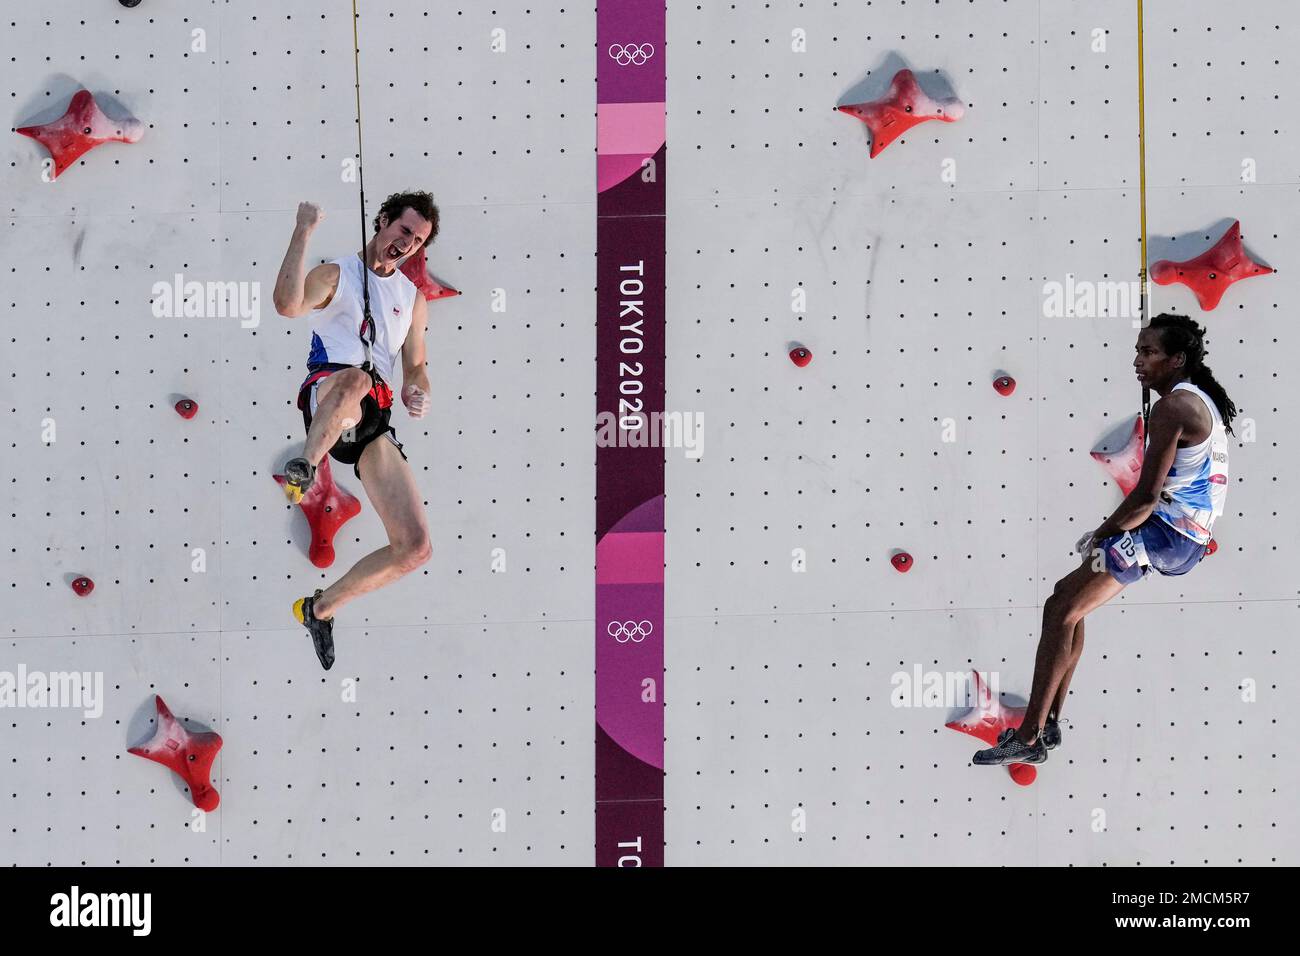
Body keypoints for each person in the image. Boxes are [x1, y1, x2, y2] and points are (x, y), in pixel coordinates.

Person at [973, 313, 1235, 766]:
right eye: (1137, 349)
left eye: (1148, 352)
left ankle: (1031, 735)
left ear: (1177, 359)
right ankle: (1048, 722)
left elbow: (1147, 497)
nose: (1137, 360)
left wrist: (1104, 533)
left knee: (1061, 610)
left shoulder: (1174, 408)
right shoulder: (1196, 400)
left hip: (1164, 532)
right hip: (1180, 537)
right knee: (1064, 603)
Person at [272, 191, 439, 669]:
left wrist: (417, 391)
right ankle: (306, 462)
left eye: (417, 241)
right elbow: (287, 305)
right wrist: (302, 231)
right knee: (357, 379)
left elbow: (417, 366)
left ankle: (319, 609)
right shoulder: (338, 275)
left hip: (374, 419)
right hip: (330, 391)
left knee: (414, 547)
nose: (406, 245)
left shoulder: (412, 299)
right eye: (403, 231)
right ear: (382, 221)